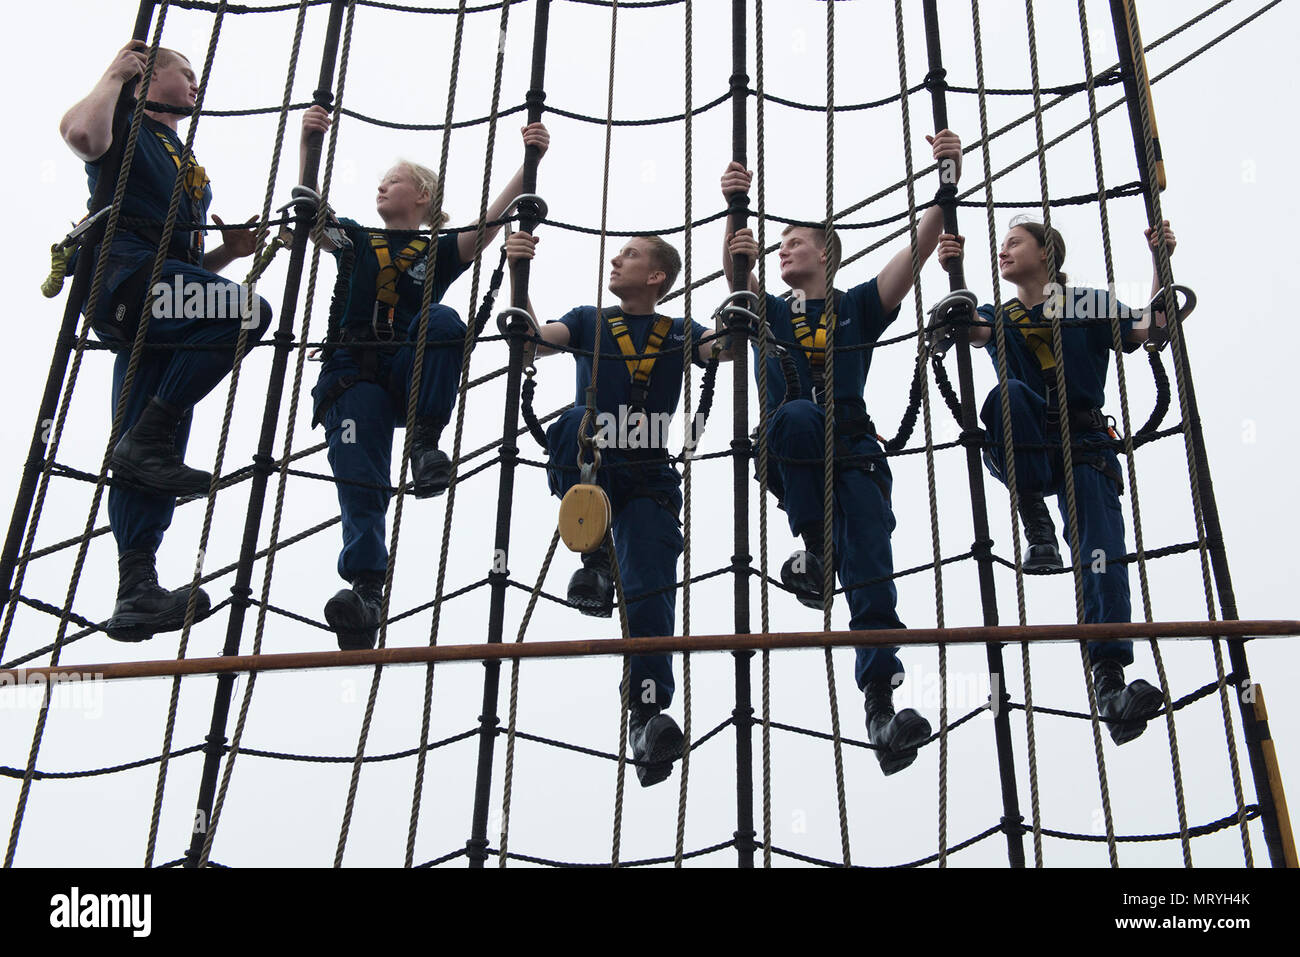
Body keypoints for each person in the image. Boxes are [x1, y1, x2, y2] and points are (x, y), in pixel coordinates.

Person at [718, 130, 963, 776]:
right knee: (797, 414)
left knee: (874, 576)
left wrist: (945, 184)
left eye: (796, 241)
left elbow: (913, 256)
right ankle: (819, 550)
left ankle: (881, 705)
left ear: (825, 252)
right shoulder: (768, 309)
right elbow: (738, 273)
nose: (784, 250)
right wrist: (736, 210)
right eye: (780, 244)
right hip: (793, 447)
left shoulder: (856, 307)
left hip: (855, 456)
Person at [298, 105, 549, 650]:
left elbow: (490, 223)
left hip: (407, 370)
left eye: (395, 181)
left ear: (422, 198)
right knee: (361, 481)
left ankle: (424, 444)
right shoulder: (357, 241)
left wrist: (529, 162)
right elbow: (311, 217)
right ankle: (366, 589)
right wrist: (309, 146)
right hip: (352, 376)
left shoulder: (438, 250)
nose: (382, 187)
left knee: (443, 320)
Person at [935, 217, 1178, 744]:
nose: (1004, 251)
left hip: (1086, 446)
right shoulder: (998, 317)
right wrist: (953, 268)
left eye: (1015, 243)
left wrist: (1162, 262)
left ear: (1046, 253)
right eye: (1000, 245)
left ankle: (1109, 682)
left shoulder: (1085, 303)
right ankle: (1036, 523)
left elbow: (1149, 328)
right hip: (1029, 445)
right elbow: (965, 328)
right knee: (1007, 397)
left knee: (1103, 552)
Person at [504, 229, 733, 786]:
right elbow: (533, 341)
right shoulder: (588, 319)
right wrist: (519, 274)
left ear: (656, 277)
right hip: (593, 461)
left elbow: (718, 347)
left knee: (652, 585)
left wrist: (738, 285)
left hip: (650, 473)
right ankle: (597, 560)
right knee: (569, 425)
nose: (616, 258)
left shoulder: (679, 331)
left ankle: (647, 715)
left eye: (629, 254)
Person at [60, 41, 271, 642]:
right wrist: (113, 75)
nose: (195, 84)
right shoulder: (122, 123)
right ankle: (153, 432)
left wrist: (225, 254)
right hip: (127, 282)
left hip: (157, 300)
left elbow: (183, 268)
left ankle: (136, 589)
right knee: (246, 313)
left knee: (144, 455)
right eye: (186, 73)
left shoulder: (184, 157)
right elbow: (80, 136)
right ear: (148, 75)